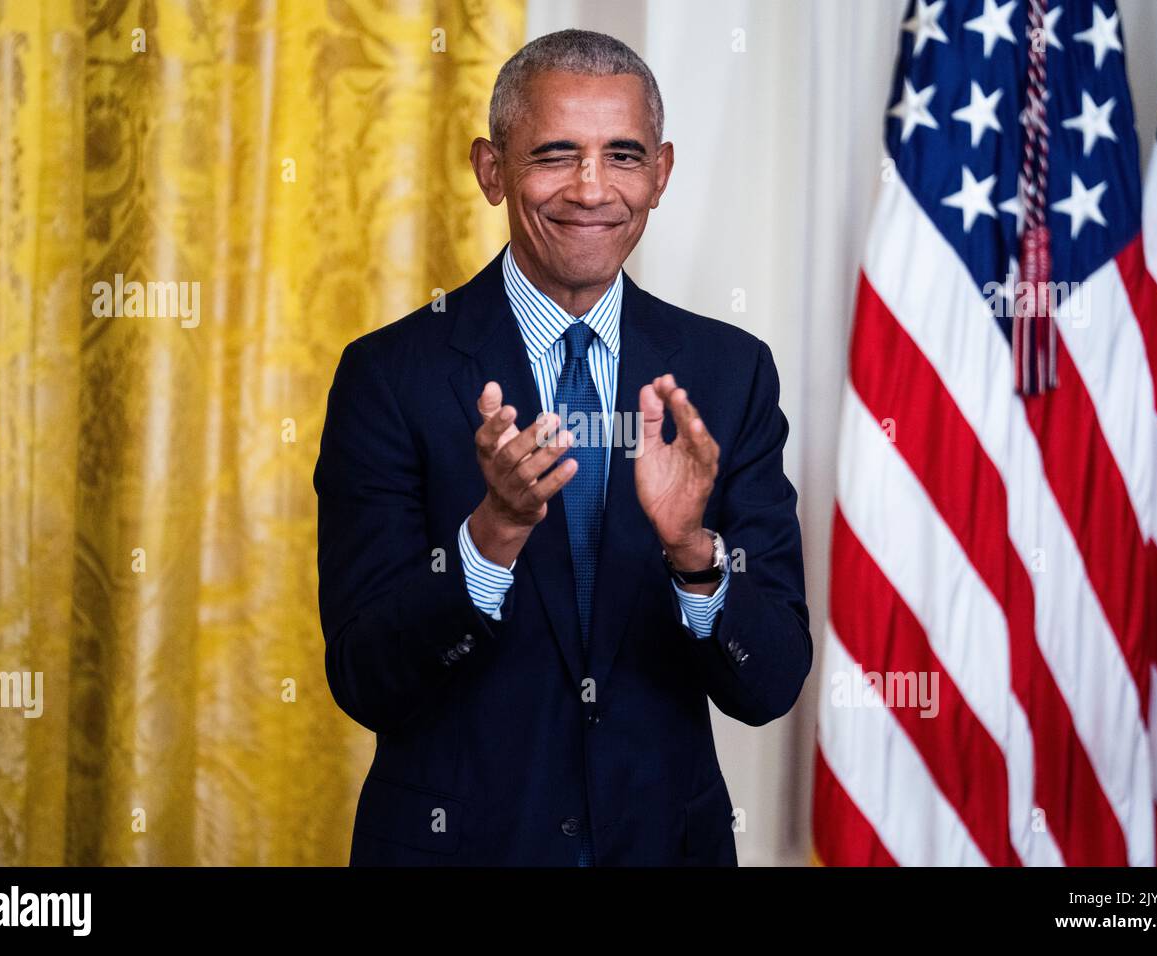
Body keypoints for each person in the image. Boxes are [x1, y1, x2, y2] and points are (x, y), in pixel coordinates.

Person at [314, 28, 811, 866]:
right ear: (490, 169)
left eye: (622, 155)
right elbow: (366, 679)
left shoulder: (731, 375)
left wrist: (694, 554)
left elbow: (769, 683)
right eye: (555, 154)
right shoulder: (388, 375)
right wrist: (491, 537)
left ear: (661, 173)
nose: (591, 188)